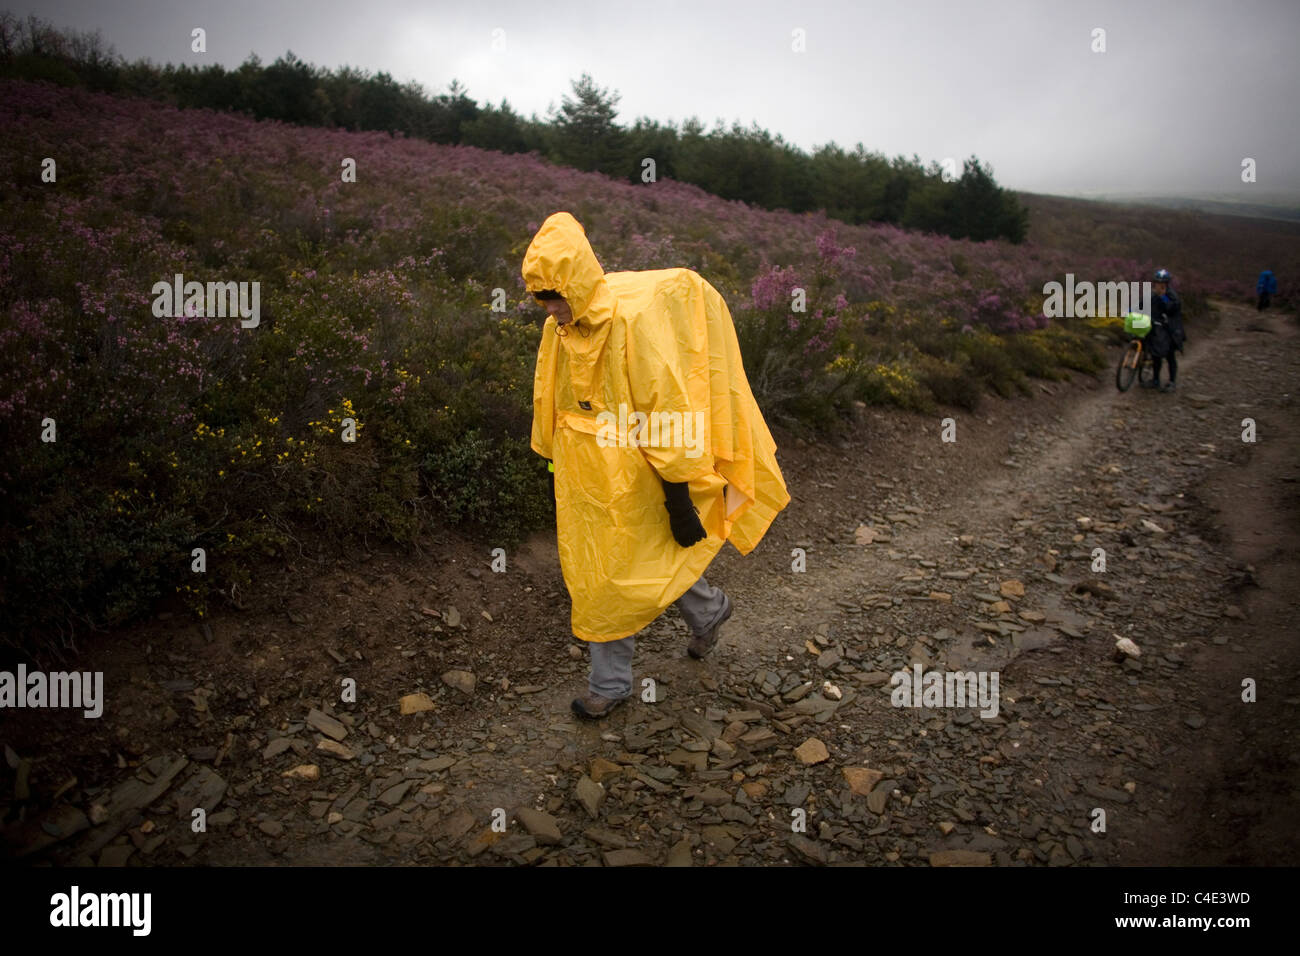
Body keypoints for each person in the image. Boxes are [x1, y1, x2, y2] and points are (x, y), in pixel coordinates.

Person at [522, 211, 791, 719]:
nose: (551, 308)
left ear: (577, 281)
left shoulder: (627, 325)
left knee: (620, 571)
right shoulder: (556, 328)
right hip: (585, 475)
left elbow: (664, 409)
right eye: (542, 299)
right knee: (618, 566)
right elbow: (550, 397)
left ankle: (610, 685)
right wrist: (554, 461)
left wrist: (678, 494)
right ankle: (709, 610)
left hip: (638, 467)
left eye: (555, 296)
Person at [1147, 268, 1184, 393]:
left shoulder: (1171, 296)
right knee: (1155, 355)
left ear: (1166, 284)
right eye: (1156, 282)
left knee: (1170, 356)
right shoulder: (1153, 294)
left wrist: (1163, 297)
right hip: (1157, 328)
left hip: (1170, 330)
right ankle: (1155, 380)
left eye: (1161, 283)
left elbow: (1172, 309)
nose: (1158, 285)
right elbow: (1143, 303)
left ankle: (1172, 382)